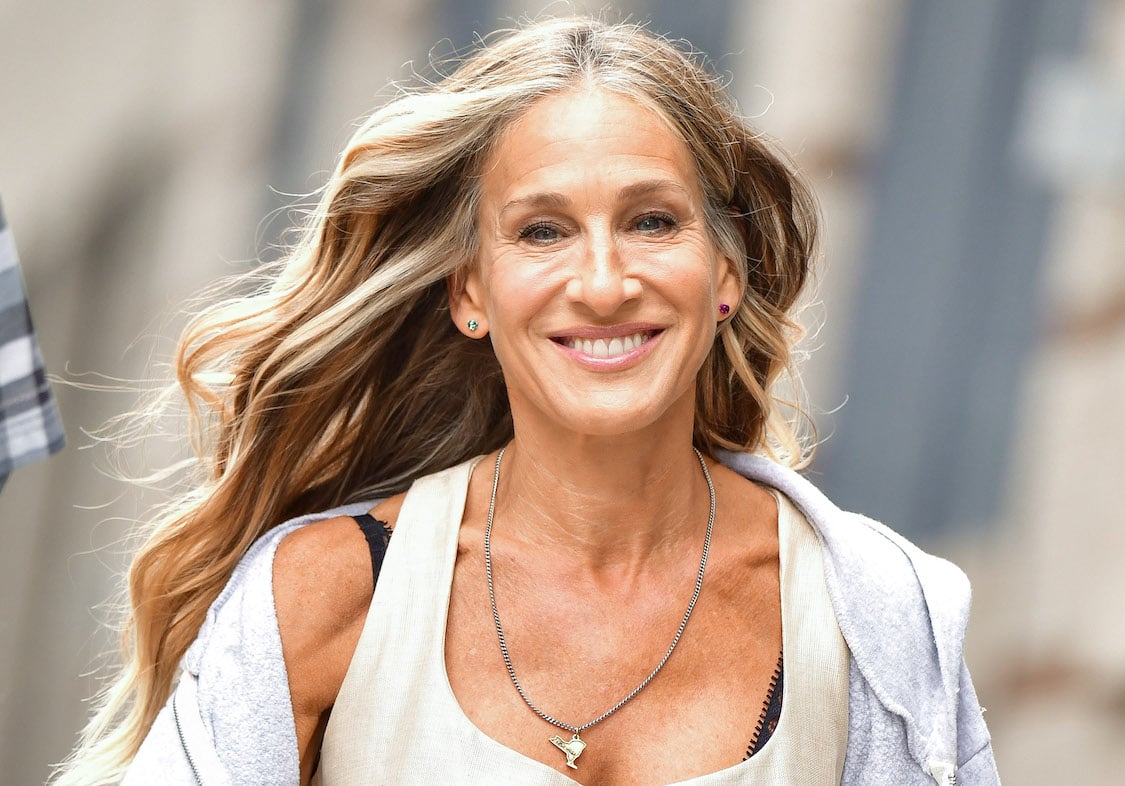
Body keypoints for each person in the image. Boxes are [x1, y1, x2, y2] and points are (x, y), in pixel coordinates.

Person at [55, 17, 999, 786]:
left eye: (652, 221)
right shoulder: (328, 596)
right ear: (470, 290)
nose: (604, 283)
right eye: (543, 231)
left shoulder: (872, 618)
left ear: (725, 272)